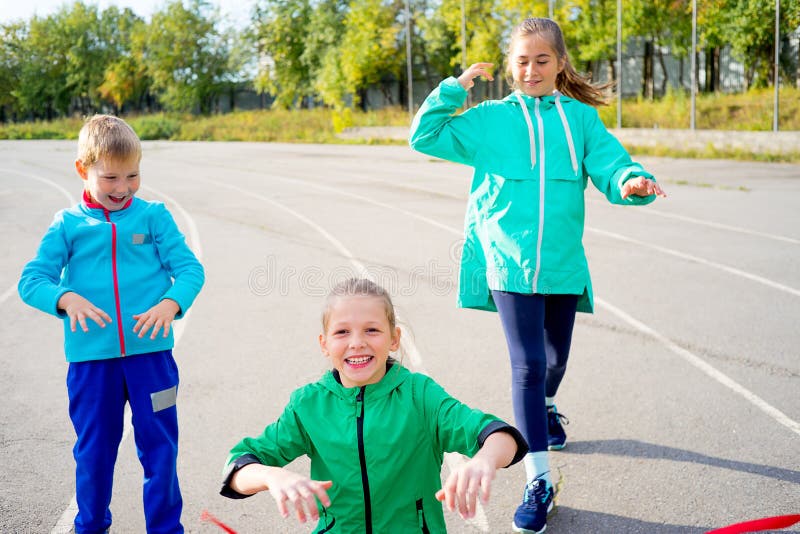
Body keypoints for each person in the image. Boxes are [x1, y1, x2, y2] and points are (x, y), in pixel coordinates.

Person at [409, 17, 666, 534]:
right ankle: (539, 481)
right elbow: (424, 135)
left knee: (553, 362)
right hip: (508, 263)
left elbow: (612, 166)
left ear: (560, 63)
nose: (531, 70)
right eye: (522, 61)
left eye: (542, 60)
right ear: (510, 66)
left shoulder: (581, 121)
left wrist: (633, 181)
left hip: (563, 264)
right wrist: (452, 89)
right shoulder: (491, 120)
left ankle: (547, 407)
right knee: (526, 365)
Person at [220, 278, 528, 533]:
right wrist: (272, 476)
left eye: (372, 330)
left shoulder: (419, 395)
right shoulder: (308, 405)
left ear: (394, 339)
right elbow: (237, 468)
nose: (356, 342)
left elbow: (500, 436)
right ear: (324, 343)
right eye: (342, 332)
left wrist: (484, 460)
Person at [18, 114, 205, 533]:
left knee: (160, 451)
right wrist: (64, 297)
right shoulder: (68, 225)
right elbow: (31, 280)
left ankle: (165, 528)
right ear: (83, 170)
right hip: (91, 365)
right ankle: (91, 526)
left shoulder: (153, 217)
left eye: (133, 176)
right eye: (110, 178)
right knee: (95, 453)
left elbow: (191, 270)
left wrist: (171, 304)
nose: (122, 189)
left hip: (151, 359)